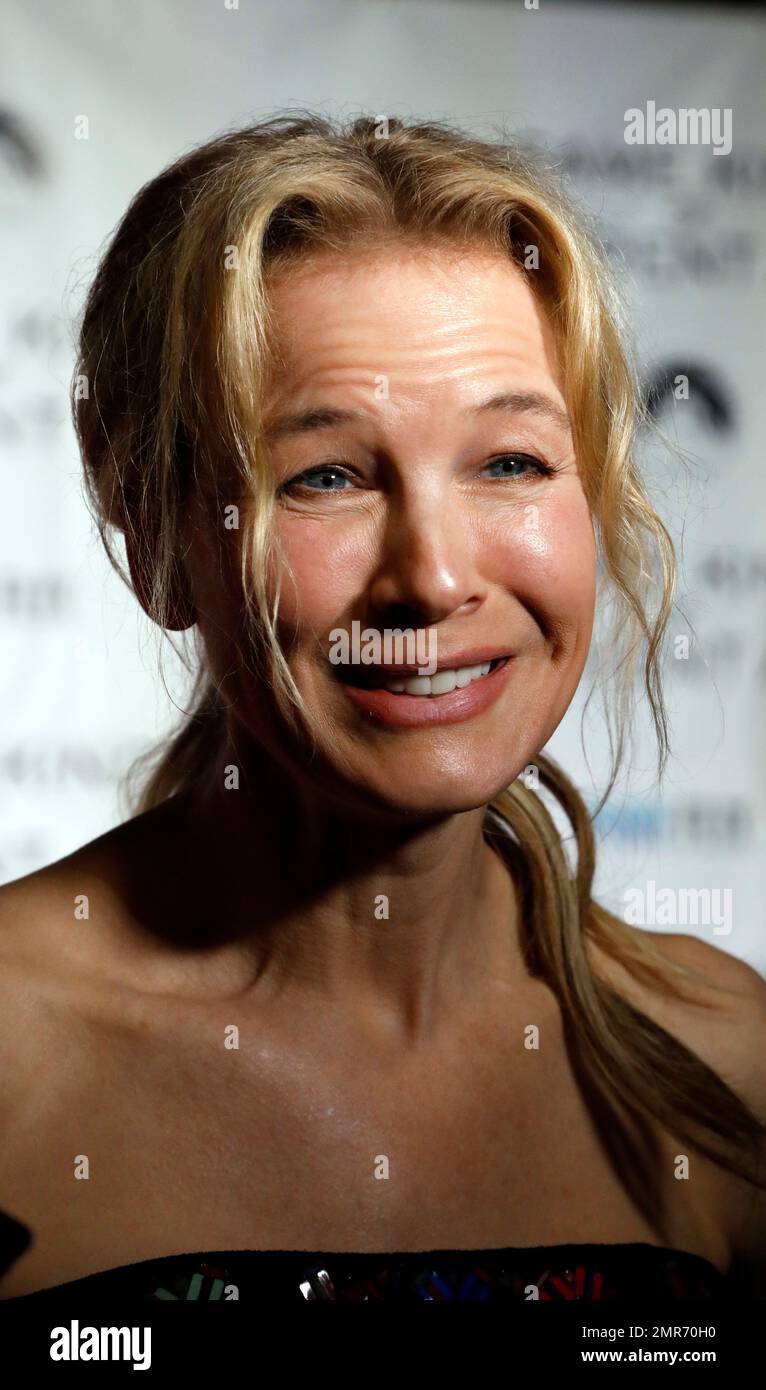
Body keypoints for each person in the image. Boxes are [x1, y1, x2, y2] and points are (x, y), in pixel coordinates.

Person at [0, 113, 763, 1303]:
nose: (437, 575)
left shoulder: (726, 1065)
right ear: (148, 521)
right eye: (326, 476)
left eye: (510, 461)